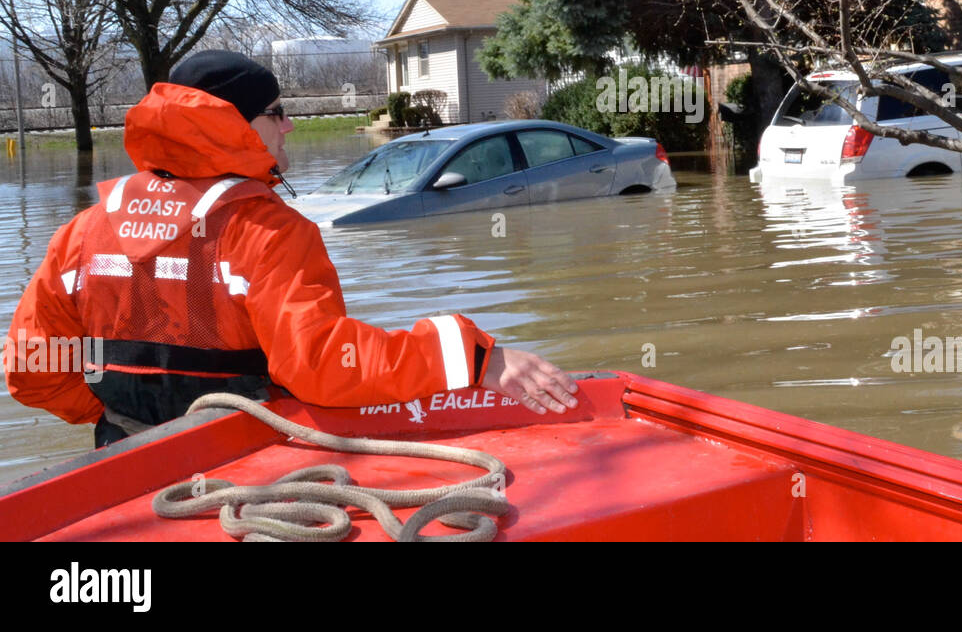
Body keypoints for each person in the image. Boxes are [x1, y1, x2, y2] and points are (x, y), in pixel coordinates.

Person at [5, 50, 577, 447]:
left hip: (125, 471)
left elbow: (30, 370)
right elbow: (324, 366)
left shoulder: (81, 233)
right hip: (246, 470)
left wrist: (120, 420)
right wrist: (474, 356)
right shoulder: (267, 233)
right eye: (277, 112)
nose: (290, 127)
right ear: (235, 127)